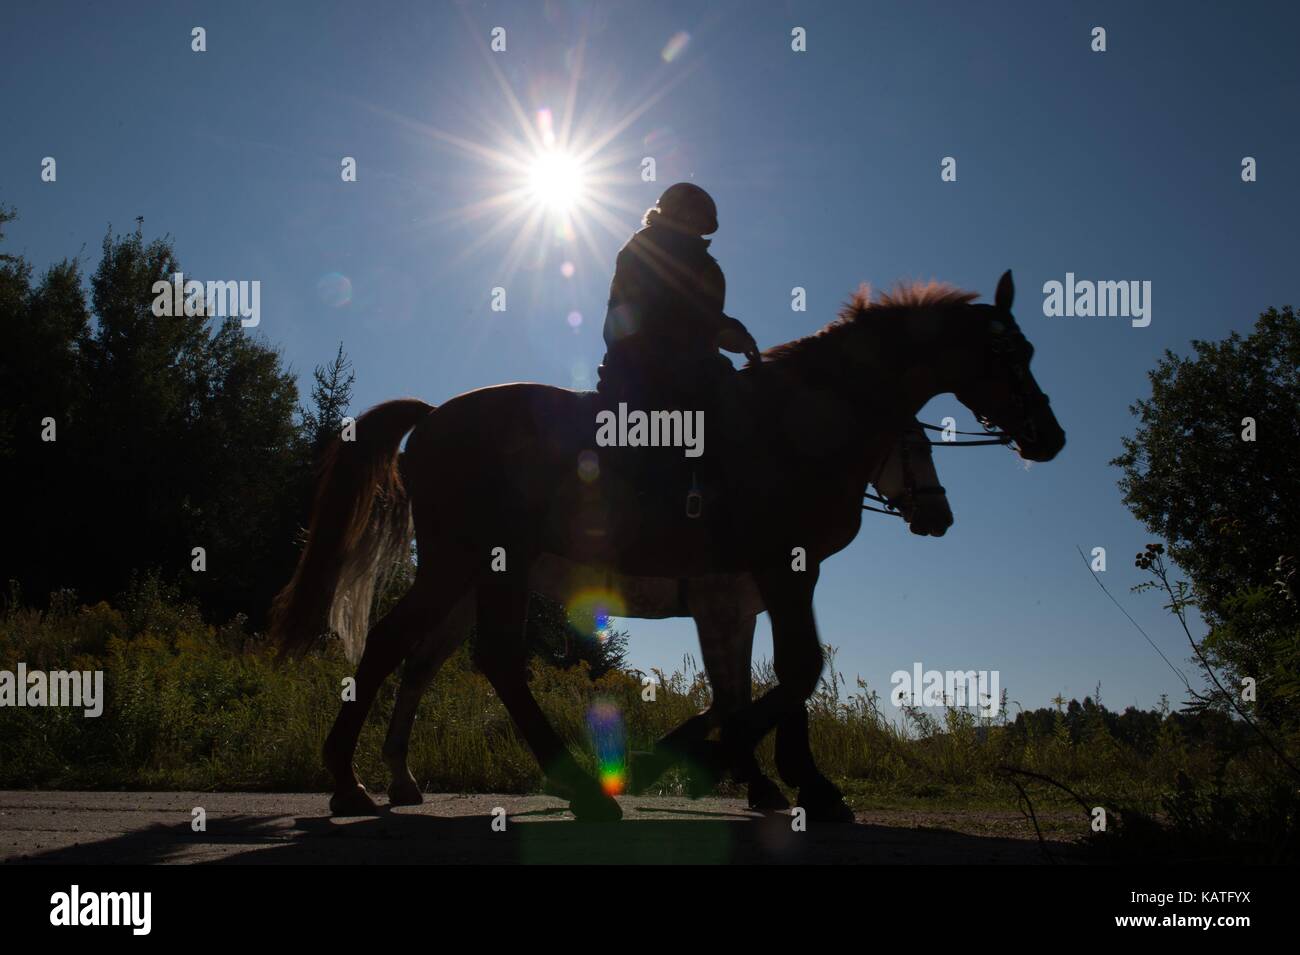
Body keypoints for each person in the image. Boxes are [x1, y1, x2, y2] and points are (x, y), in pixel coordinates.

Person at [598, 183, 760, 407]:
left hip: (665, 368)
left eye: (703, 223)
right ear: (678, 213)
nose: (699, 228)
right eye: (695, 218)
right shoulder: (659, 250)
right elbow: (683, 310)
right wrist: (729, 331)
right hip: (654, 373)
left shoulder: (692, 258)